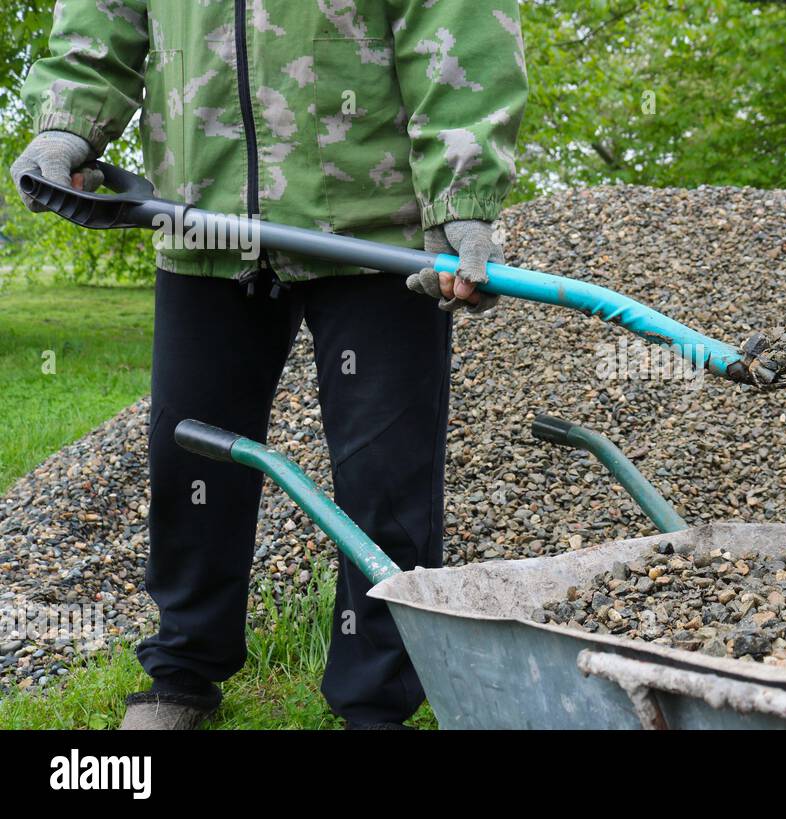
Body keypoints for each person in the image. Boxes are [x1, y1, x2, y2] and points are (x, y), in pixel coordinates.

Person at [9, 0, 527, 729]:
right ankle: (182, 672)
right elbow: (104, 13)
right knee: (188, 454)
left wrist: (463, 192)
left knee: (385, 476)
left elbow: (456, 18)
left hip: (372, 224)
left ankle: (374, 705)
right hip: (201, 215)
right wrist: (68, 125)